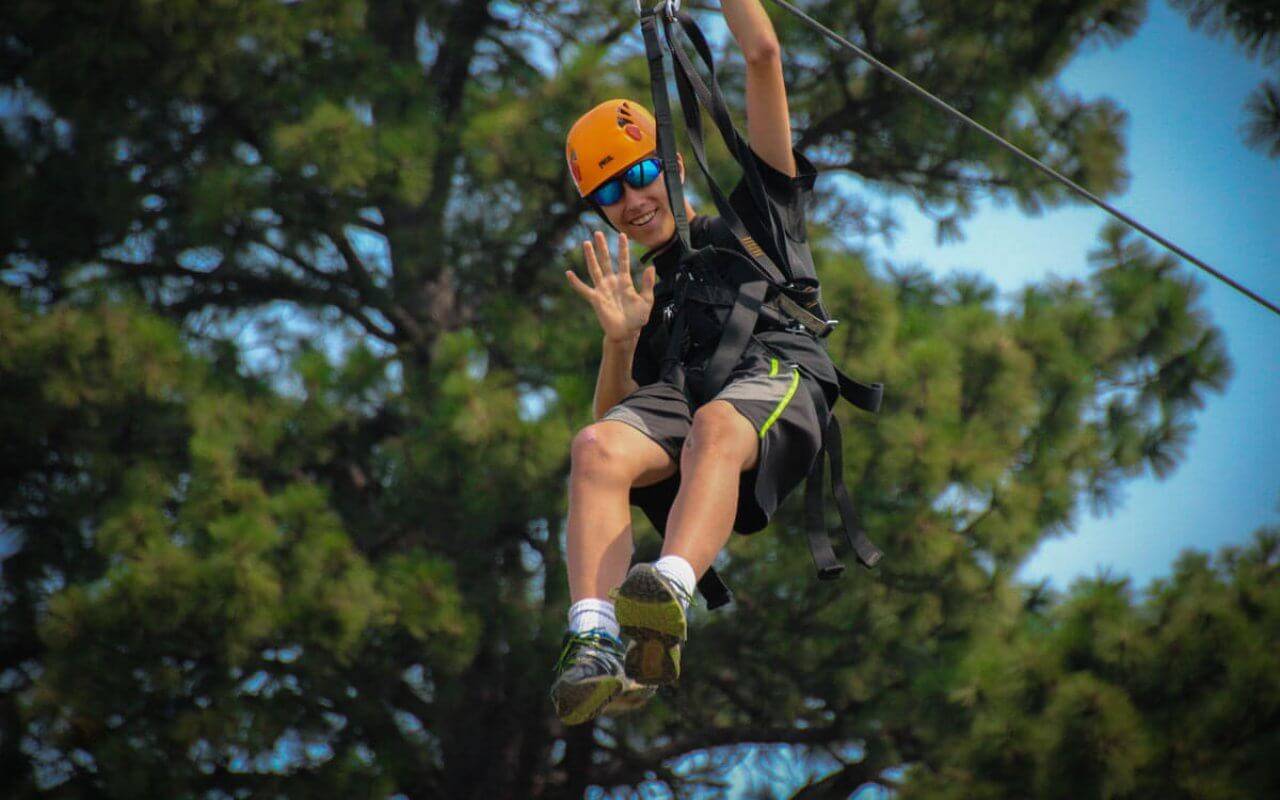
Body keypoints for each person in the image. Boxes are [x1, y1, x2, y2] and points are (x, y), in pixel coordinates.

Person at [550, 0, 843, 726]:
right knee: (592, 447)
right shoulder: (652, 297)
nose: (632, 200)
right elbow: (618, 448)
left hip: (779, 376)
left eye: (641, 173)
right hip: (698, 405)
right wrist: (621, 341)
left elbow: (763, 54)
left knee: (716, 422)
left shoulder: (755, 216)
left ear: (674, 165)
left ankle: (667, 598)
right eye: (608, 194)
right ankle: (594, 638)